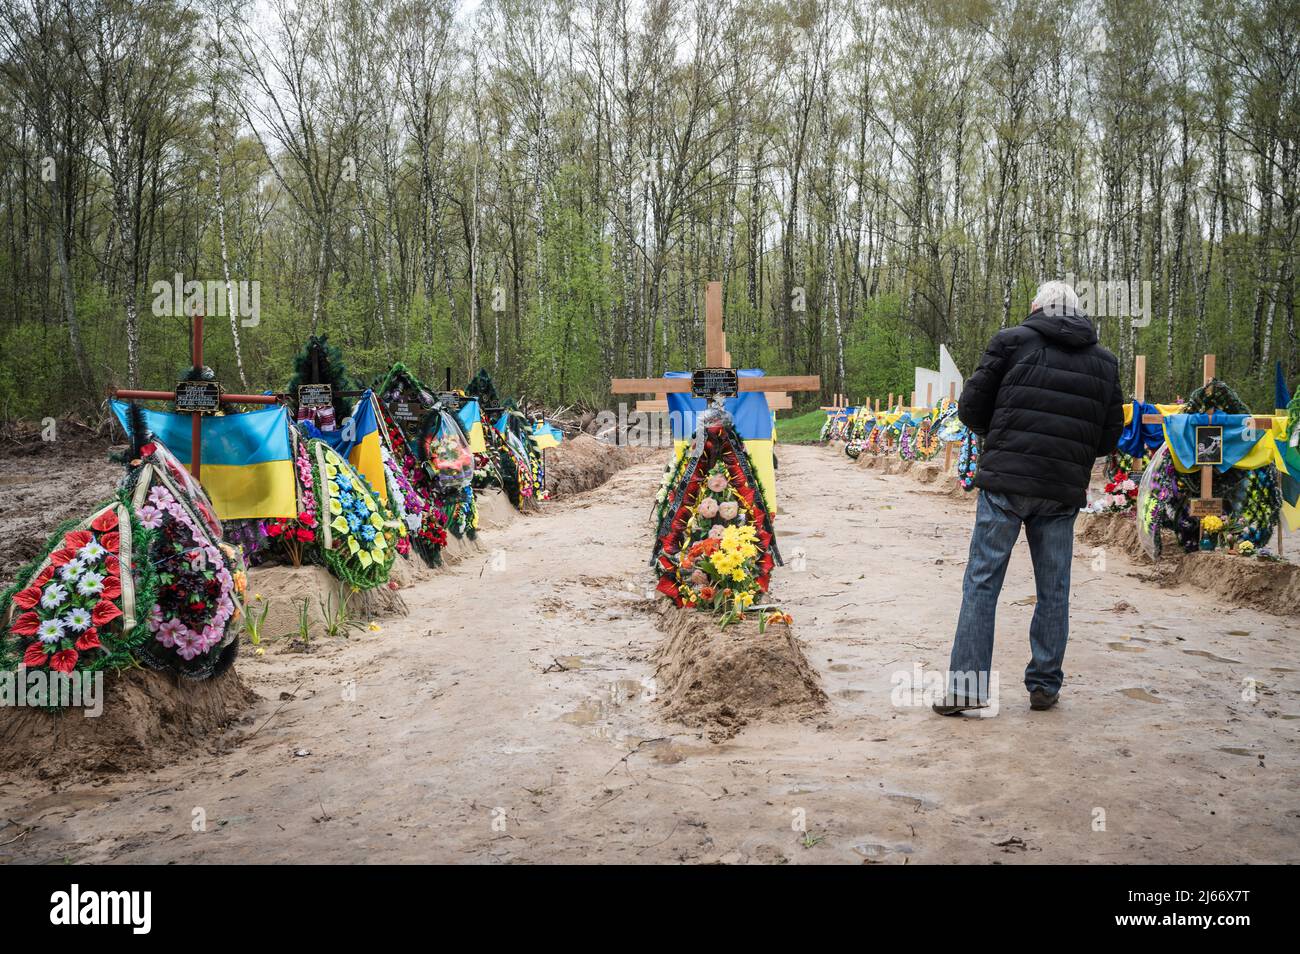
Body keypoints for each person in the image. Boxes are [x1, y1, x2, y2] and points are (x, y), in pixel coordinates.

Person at [936, 281, 1123, 715]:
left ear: (1037, 308)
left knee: (982, 583)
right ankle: (1044, 685)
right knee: (1054, 587)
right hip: (1061, 489)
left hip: (1006, 483)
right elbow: (1109, 435)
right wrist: (1068, 452)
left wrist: (1002, 439)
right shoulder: (1104, 361)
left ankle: (966, 689)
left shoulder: (1010, 342)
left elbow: (970, 410)